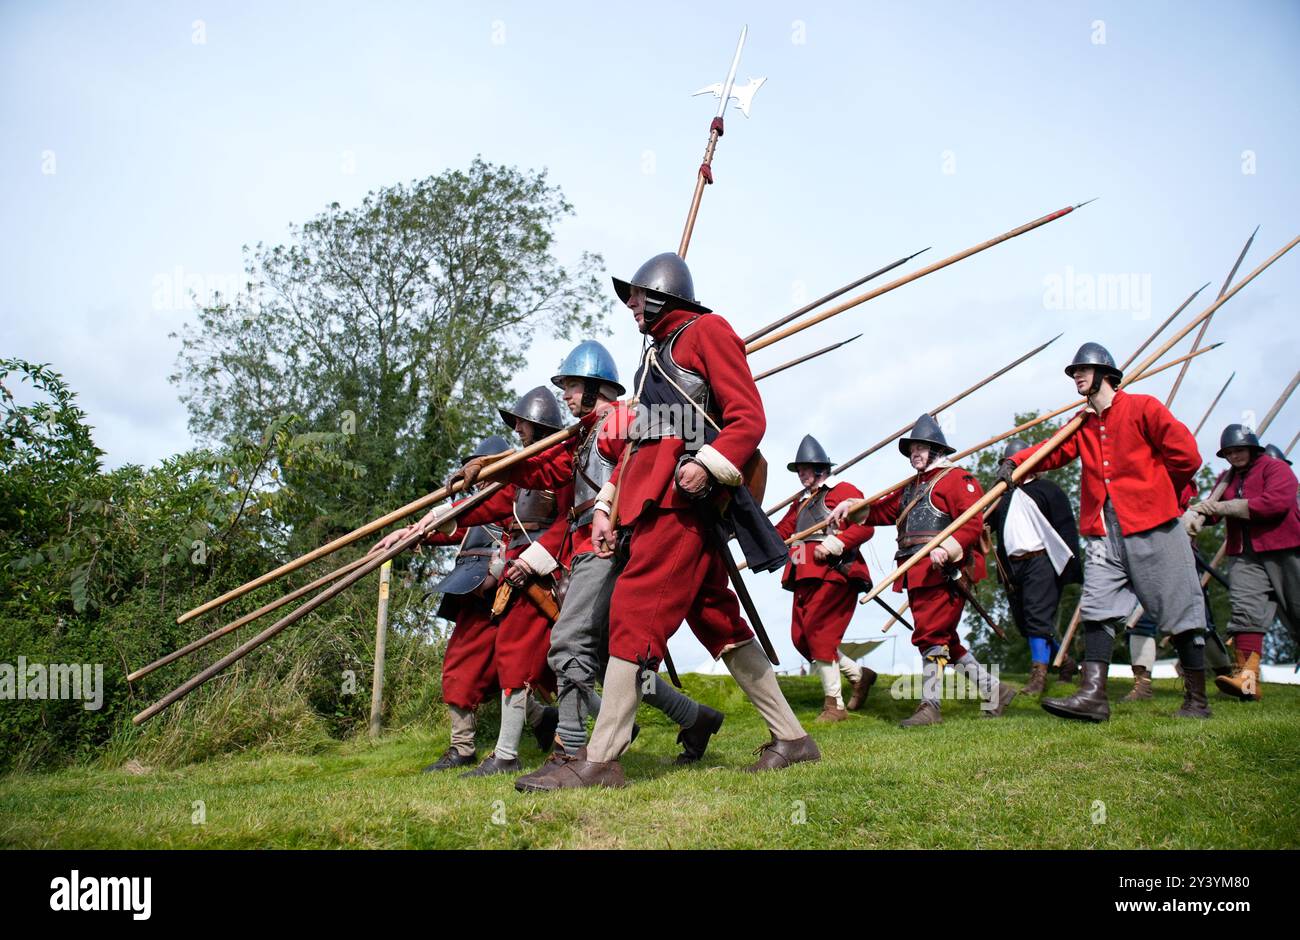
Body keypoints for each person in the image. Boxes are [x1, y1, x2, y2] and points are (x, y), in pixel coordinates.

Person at [529, 252, 818, 789]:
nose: (632, 306)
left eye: (637, 296)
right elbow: (636, 447)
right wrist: (606, 505)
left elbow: (747, 417)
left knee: (634, 614)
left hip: (682, 504)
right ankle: (794, 739)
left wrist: (707, 463)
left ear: (663, 293)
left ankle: (602, 757)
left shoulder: (708, 331)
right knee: (718, 621)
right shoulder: (651, 359)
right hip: (647, 501)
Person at [452, 340, 724, 792]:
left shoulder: (618, 418)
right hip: (585, 545)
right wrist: (493, 467)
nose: (566, 395)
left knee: (570, 641)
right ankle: (696, 718)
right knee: (604, 658)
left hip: (609, 544)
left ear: (598, 387)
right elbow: (544, 472)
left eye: (573, 386)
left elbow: (652, 451)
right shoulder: (584, 435)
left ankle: (571, 751)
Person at [998, 342, 1209, 721]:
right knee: (1097, 607)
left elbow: (1188, 457)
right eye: (1074, 372)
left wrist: (1160, 494)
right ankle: (1094, 695)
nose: (1076, 376)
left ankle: (1197, 702)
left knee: (1179, 607)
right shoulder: (1082, 424)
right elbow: (1050, 451)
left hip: (1154, 524)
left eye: (1083, 370)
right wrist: (1014, 463)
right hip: (1102, 530)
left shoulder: (1144, 407)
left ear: (1105, 374)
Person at [378, 388, 568, 774]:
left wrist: (530, 562)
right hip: (511, 583)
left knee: (568, 662)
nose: (517, 430)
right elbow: (472, 511)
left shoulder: (563, 468)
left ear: (539, 426)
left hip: (543, 577)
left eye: (523, 424)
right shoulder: (515, 483)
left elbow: (567, 524)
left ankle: (564, 740)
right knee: (494, 664)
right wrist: (415, 530)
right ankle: (493, 747)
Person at [831, 414, 1016, 726]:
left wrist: (949, 548)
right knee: (943, 639)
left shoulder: (958, 479)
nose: (915, 453)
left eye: (921, 447)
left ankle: (930, 706)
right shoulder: (911, 488)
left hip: (946, 571)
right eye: (912, 449)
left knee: (931, 635)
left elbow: (972, 521)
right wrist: (852, 506)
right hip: (914, 569)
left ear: (937, 450)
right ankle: (995, 689)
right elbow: (881, 510)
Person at [1185, 424, 1300, 700]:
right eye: (1229, 452)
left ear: (1252, 448)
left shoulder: (1276, 469)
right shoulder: (1226, 478)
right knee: (1244, 615)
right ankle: (1247, 682)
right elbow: (1213, 511)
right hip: (1244, 555)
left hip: (1285, 549)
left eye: (1239, 450)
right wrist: (1195, 514)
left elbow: (1275, 504)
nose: (1235, 456)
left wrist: (1226, 507)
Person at [774, 434, 878, 720]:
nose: (801, 474)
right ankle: (859, 676)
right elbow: (779, 532)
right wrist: (746, 531)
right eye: (799, 470)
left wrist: (836, 542)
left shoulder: (843, 489)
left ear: (821, 468)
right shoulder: (800, 503)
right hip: (802, 574)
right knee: (802, 639)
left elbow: (866, 526)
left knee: (819, 633)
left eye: (806, 468)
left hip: (834, 572)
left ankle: (835, 705)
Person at [986, 438, 1082, 695]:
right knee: (1025, 623)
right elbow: (986, 524)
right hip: (1013, 568)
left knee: (1038, 618)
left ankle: (1038, 678)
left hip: (1042, 562)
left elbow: (1065, 529)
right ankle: (1067, 662)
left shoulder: (1048, 490)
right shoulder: (1001, 497)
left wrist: (1070, 568)